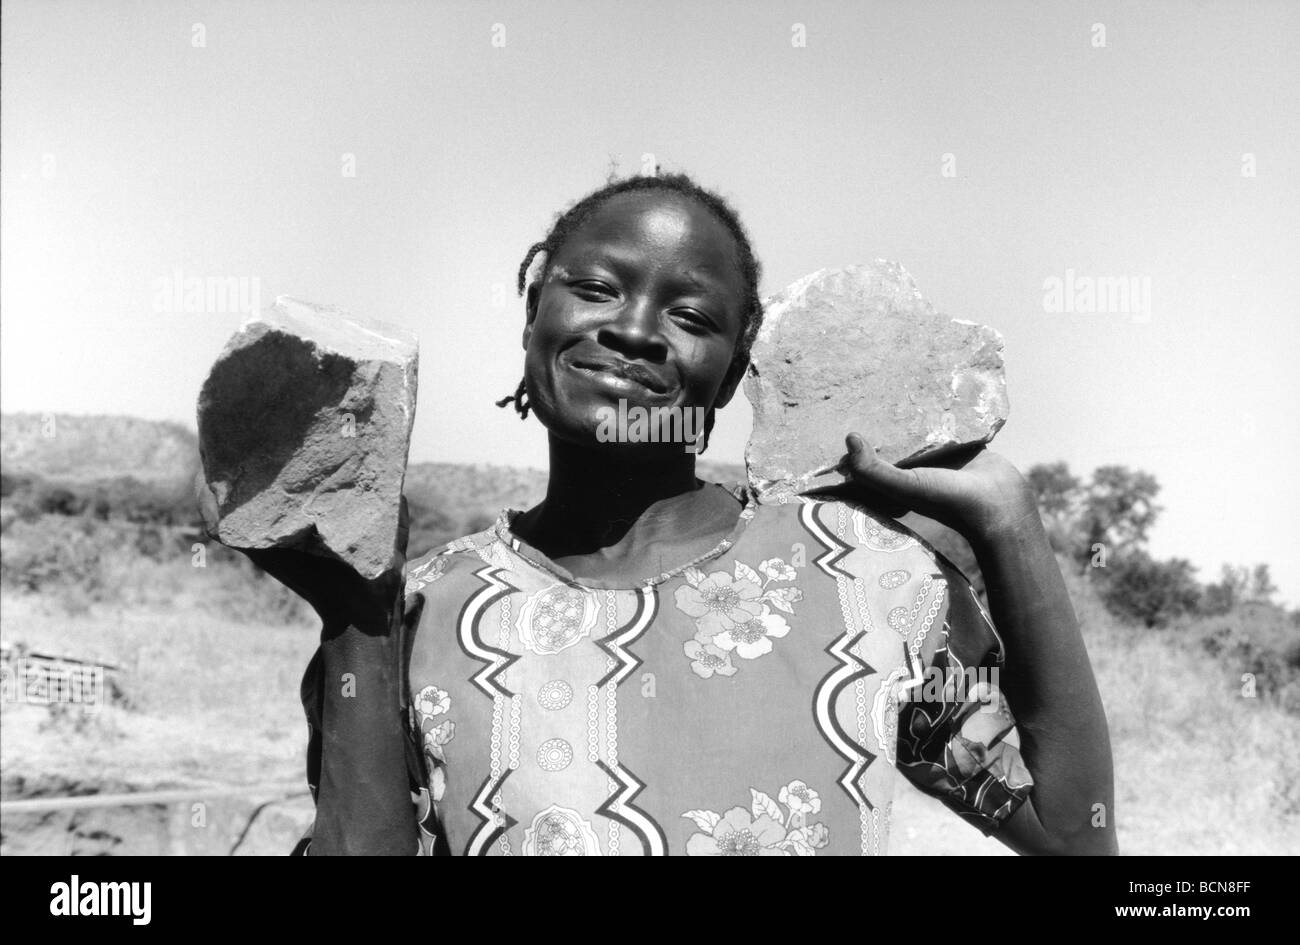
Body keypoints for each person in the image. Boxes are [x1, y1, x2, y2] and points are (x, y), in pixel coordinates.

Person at [265, 171, 1116, 856]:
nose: (635, 330)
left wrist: (1010, 525)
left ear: (735, 364)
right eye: (596, 288)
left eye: (690, 315)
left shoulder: (868, 579)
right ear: (533, 315)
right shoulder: (414, 613)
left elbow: (1073, 837)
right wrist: (354, 620)